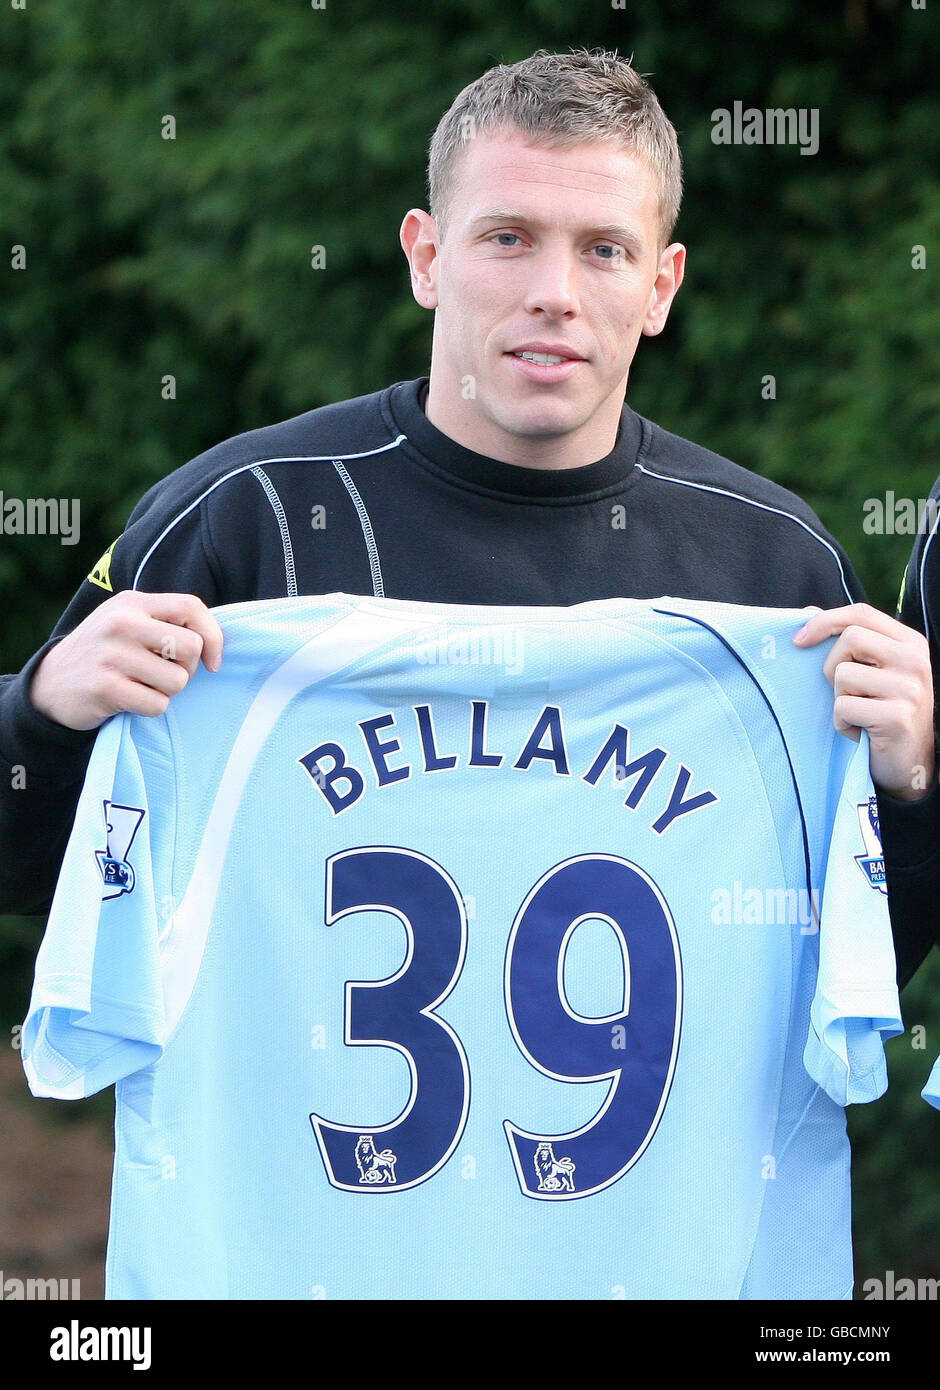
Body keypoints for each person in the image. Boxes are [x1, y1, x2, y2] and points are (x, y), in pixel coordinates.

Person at [1, 46, 937, 987]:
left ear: (661, 286)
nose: (555, 295)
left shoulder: (775, 567)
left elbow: (856, 976)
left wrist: (915, 786)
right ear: (427, 256)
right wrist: (39, 715)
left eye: (605, 250)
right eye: (507, 238)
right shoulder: (248, 516)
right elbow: (45, 879)